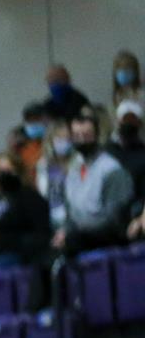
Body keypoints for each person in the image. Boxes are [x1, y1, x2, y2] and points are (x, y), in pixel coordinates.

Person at [53, 110, 135, 256]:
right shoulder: (74, 170)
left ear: (96, 136)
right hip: (79, 235)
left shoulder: (111, 169)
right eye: (77, 136)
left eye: (86, 135)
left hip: (106, 237)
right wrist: (64, 231)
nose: (82, 140)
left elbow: (114, 218)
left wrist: (78, 231)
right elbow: (70, 211)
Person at [0, 153, 52, 273]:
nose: (3, 175)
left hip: (13, 255)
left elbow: (40, 235)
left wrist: (8, 242)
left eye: (7, 170)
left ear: (18, 171)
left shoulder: (31, 198)